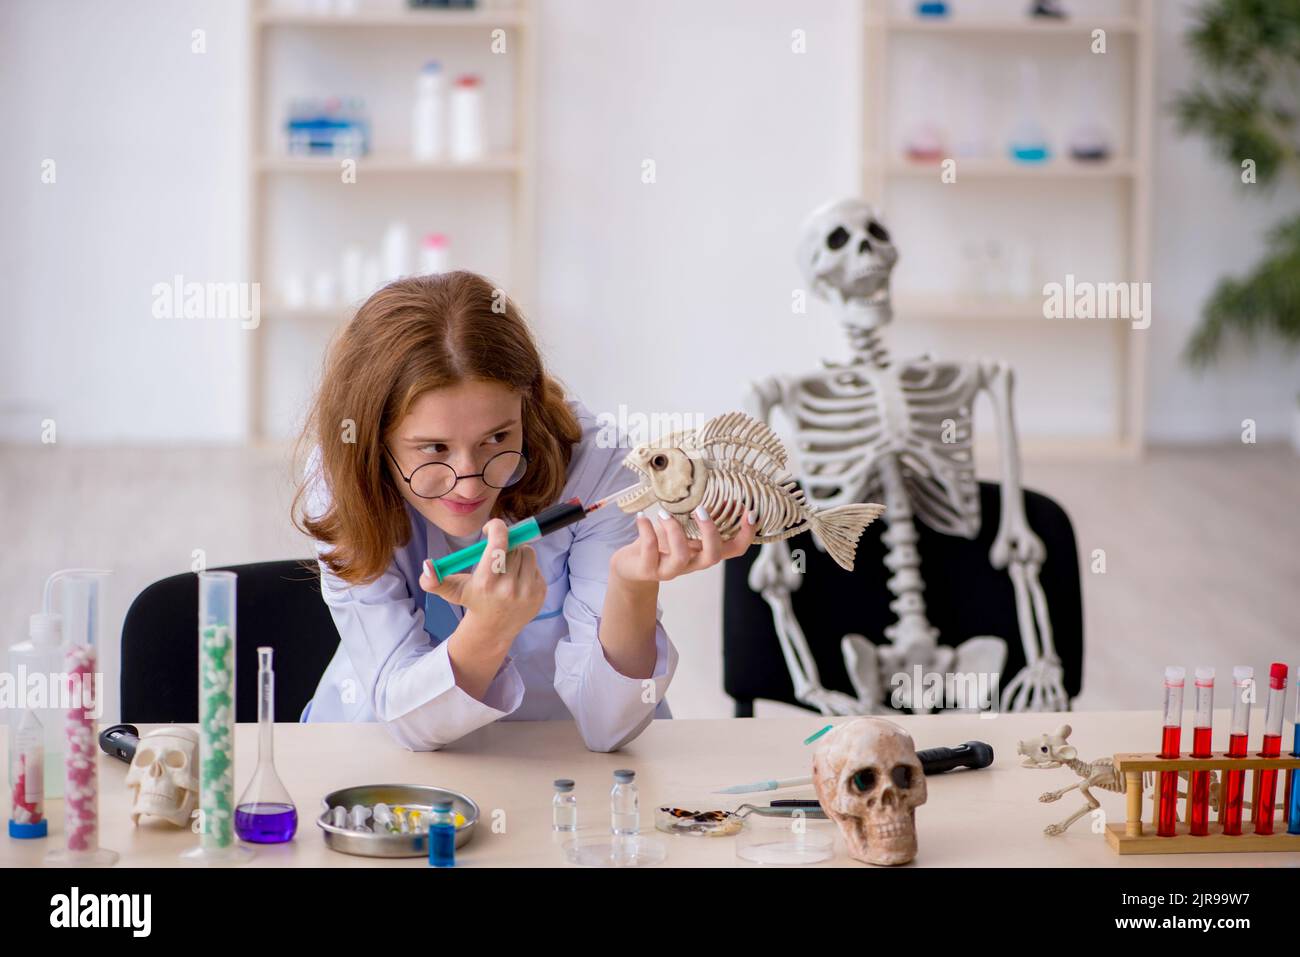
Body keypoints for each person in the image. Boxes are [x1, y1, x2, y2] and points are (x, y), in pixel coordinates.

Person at [292, 271, 756, 751]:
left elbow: (609, 726)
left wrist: (632, 586)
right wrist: (491, 627)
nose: (470, 478)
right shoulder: (341, 480)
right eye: (433, 448)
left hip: (555, 755)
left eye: (497, 437)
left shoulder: (596, 464)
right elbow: (411, 724)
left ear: (527, 408)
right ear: (374, 440)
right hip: (380, 756)